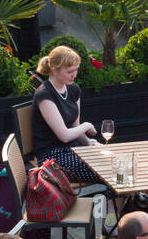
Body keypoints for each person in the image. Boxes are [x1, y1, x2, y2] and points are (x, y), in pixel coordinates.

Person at [30, 45, 102, 185]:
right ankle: (107, 206)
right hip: (52, 158)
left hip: (72, 150)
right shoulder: (44, 95)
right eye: (70, 71)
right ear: (54, 71)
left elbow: (75, 127)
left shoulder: (74, 89)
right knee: (107, 171)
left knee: (115, 161)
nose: (74, 74)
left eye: (76, 69)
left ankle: (111, 205)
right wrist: (86, 125)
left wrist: (89, 142)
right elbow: (64, 136)